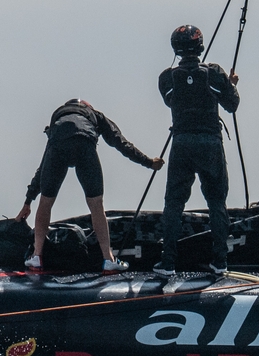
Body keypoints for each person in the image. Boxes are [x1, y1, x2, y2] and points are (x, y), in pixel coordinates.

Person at [15, 99, 160, 274]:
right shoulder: (95, 115)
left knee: (46, 201)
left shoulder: (58, 120)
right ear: (87, 106)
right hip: (84, 146)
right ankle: (108, 259)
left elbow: (42, 166)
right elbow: (121, 143)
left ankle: (37, 256)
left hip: (58, 147)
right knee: (96, 204)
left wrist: (28, 201)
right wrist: (149, 163)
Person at [154, 25, 241, 276]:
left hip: (181, 143)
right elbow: (232, 105)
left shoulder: (166, 78)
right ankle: (220, 262)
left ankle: (168, 263)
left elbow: (172, 100)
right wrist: (230, 85)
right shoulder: (213, 73)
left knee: (173, 203)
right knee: (216, 201)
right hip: (210, 143)